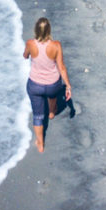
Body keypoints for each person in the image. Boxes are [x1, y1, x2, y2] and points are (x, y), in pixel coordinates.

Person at [23, 17, 72, 152]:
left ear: (35, 30)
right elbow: (61, 67)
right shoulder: (56, 45)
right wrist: (68, 85)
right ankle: (51, 112)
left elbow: (25, 56)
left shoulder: (30, 43)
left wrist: (29, 53)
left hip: (35, 85)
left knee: (38, 115)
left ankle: (40, 143)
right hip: (52, 84)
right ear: (49, 30)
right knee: (53, 94)